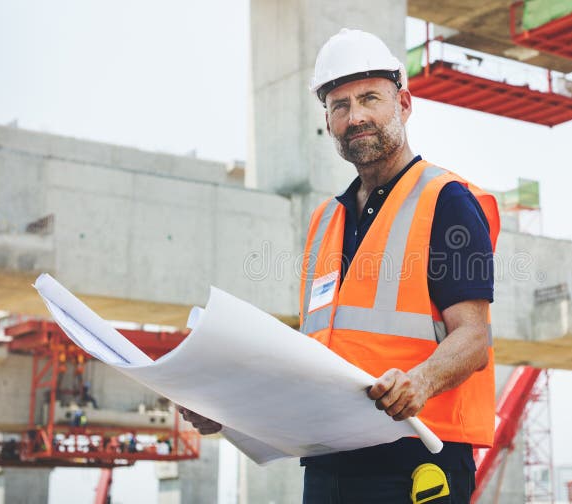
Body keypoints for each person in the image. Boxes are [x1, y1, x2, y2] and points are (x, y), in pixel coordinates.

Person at [180, 28, 499, 503]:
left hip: (416, 463)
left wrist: (420, 382)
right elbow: (319, 358)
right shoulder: (325, 221)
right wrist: (229, 413)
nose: (356, 117)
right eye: (340, 106)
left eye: (370, 98)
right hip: (329, 466)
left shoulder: (445, 200)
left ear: (404, 105)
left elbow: (474, 338)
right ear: (328, 122)